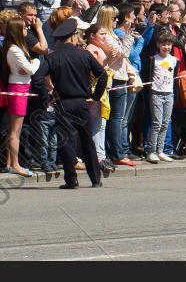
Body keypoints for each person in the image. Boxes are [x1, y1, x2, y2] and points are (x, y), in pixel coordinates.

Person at [42, 16, 107, 188]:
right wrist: (95, 96)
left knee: (66, 141)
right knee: (87, 140)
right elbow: (103, 75)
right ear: (72, 36)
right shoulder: (84, 55)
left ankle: (71, 180)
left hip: (63, 103)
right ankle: (95, 178)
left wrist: (47, 99)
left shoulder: (53, 57)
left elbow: (38, 78)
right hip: (82, 102)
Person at [2, 16, 39, 176]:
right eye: (24, 28)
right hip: (19, 87)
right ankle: (16, 164)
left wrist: (30, 63)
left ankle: (10, 162)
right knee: (15, 130)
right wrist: (35, 61)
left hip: (20, 85)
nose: (26, 30)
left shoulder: (13, 47)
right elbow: (31, 69)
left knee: (13, 128)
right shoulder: (15, 49)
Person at [145, 28, 178, 163]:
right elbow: (148, 75)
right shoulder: (154, 59)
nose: (166, 47)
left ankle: (160, 150)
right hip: (156, 94)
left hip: (169, 94)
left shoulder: (174, 60)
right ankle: (151, 151)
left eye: (169, 44)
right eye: (163, 44)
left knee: (165, 123)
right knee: (157, 123)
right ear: (158, 45)